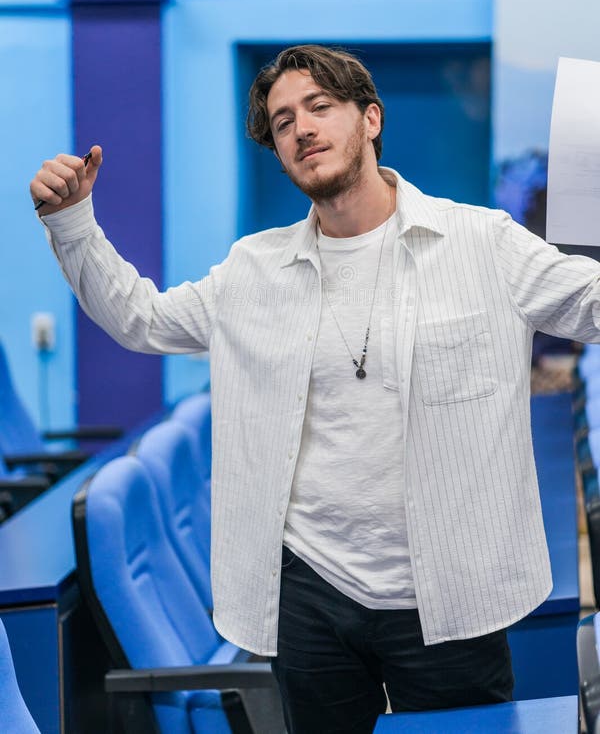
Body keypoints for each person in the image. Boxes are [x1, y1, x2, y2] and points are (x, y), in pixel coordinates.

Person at [31, 45, 600, 734]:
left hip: (447, 591)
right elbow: (139, 319)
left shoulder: (482, 243)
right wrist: (73, 224)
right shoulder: (254, 270)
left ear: (370, 118)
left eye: (320, 107)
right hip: (309, 595)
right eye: (281, 122)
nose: (300, 127)